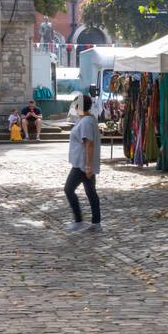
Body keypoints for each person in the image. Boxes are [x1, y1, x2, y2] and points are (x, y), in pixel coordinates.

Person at [64, 94, 102, 232]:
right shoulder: (87, 119)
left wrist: (87, 165)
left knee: (68, 189)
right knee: (91, 192)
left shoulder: (86, 121)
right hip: (84, 162)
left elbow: (89, 143)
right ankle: (96, 223)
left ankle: (79, 220)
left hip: (82, 163)